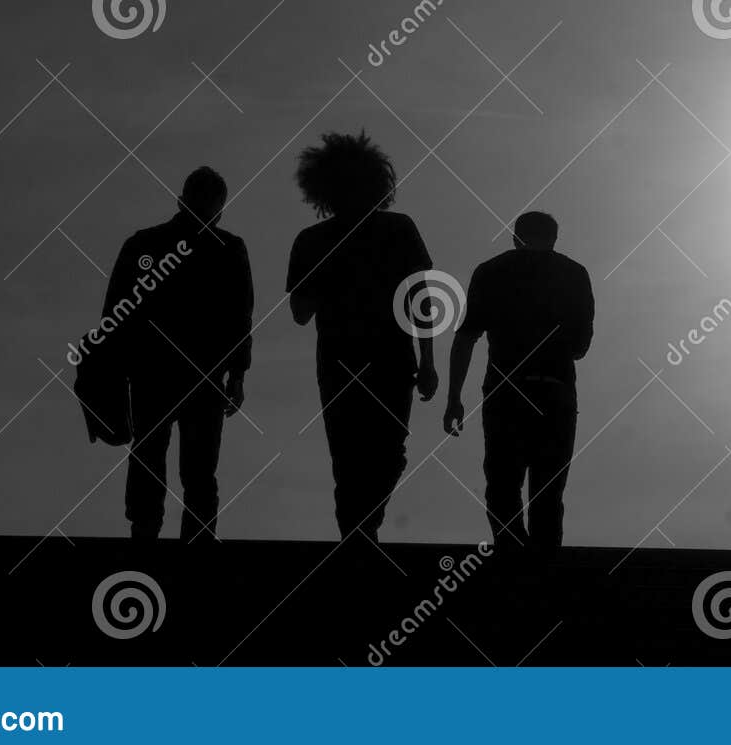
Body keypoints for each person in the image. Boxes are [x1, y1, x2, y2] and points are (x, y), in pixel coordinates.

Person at [286, 132, 437, 542]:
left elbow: (421, 297)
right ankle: (359, 536)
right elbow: (301, 312)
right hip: (350, 361)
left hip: (379, 360)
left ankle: (359, 533)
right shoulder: (314, 241)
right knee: (356, 459)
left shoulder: (397, 230)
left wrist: (428, 360)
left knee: (381, 455)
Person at [107, 166, 254, 542]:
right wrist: (237, 373)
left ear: (181, 199)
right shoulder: (229, 249)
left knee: (150, 455)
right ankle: (195, 550)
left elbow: (116, 314)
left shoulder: (143, 244)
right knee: (199, 471)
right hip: (203, 375)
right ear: (220, 211)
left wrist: (114, 371)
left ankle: (144, 537)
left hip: (151, 372)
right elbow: (240, 315)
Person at [445, 211, 594, 553]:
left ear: (515, 237)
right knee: (548, 491)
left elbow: (466, 338)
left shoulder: (491, 271)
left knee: (502, 486)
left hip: (505, 391)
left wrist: (454, 397)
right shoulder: (574, 274)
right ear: (554, 239)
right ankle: (542, 574)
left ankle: (512, 564)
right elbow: (581, 347)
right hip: (555, 390)